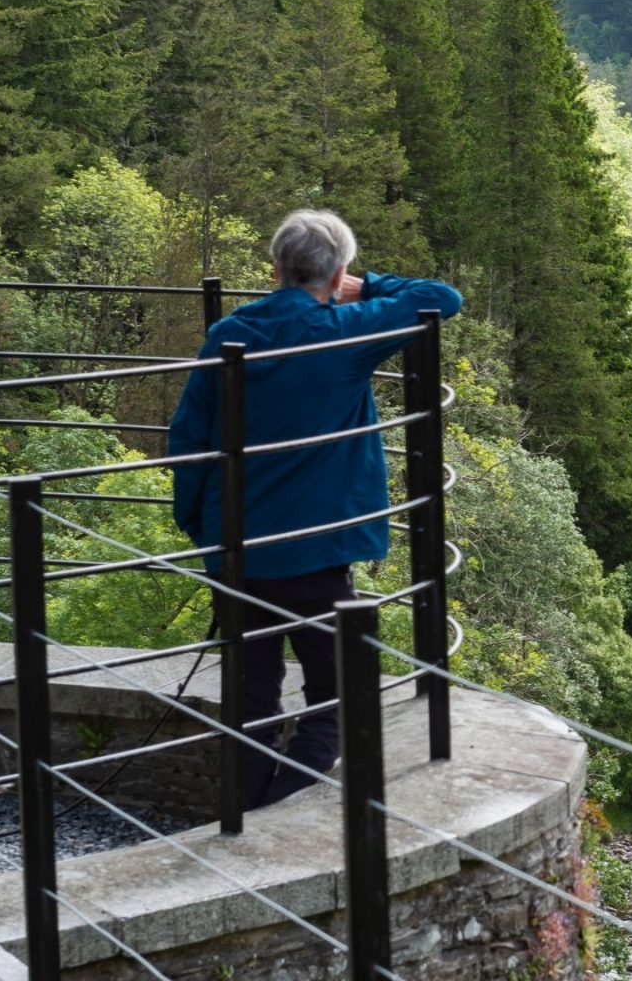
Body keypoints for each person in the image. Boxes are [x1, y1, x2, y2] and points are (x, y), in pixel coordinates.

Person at [168, 209, 462, 808]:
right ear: (339, 272)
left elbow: (189, 441)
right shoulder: (346, 333)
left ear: (274, 268)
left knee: (251, 697)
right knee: (337, 696)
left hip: (237, 549)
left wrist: (203, 529)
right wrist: (367, 285)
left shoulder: (227, 334)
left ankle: (246, 812)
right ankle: (276, 810)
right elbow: (441, 298)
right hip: (319, 550)